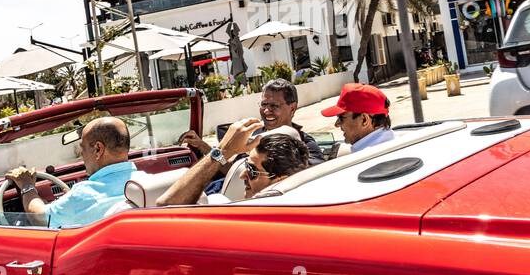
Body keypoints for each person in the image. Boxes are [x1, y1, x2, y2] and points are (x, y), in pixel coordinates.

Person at [6, 117, 135, 228]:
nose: (81, 153)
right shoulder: (145, 182)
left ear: (98, 149)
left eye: (83, 148)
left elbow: (39, 218)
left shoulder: (84, 196)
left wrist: (27, 186)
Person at [159, 117, 311, 206]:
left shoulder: (244, 218)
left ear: (280, 180)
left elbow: (166, 206)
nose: (242, 175)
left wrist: (223, 150)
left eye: (252, 171)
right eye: (246, 166)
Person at [178, 78, 325, 167]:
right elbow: (230, 169)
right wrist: (204, 146)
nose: (266, 111)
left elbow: (314, 172)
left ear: (292, 108)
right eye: (264, 105)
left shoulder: (304, 144)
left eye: (274, 106)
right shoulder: (254, 138)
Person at [322, 83, 395, 152]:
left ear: (364, 120)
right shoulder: (395, 140)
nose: (337, 124)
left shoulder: (365, 160)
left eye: (341, 117)